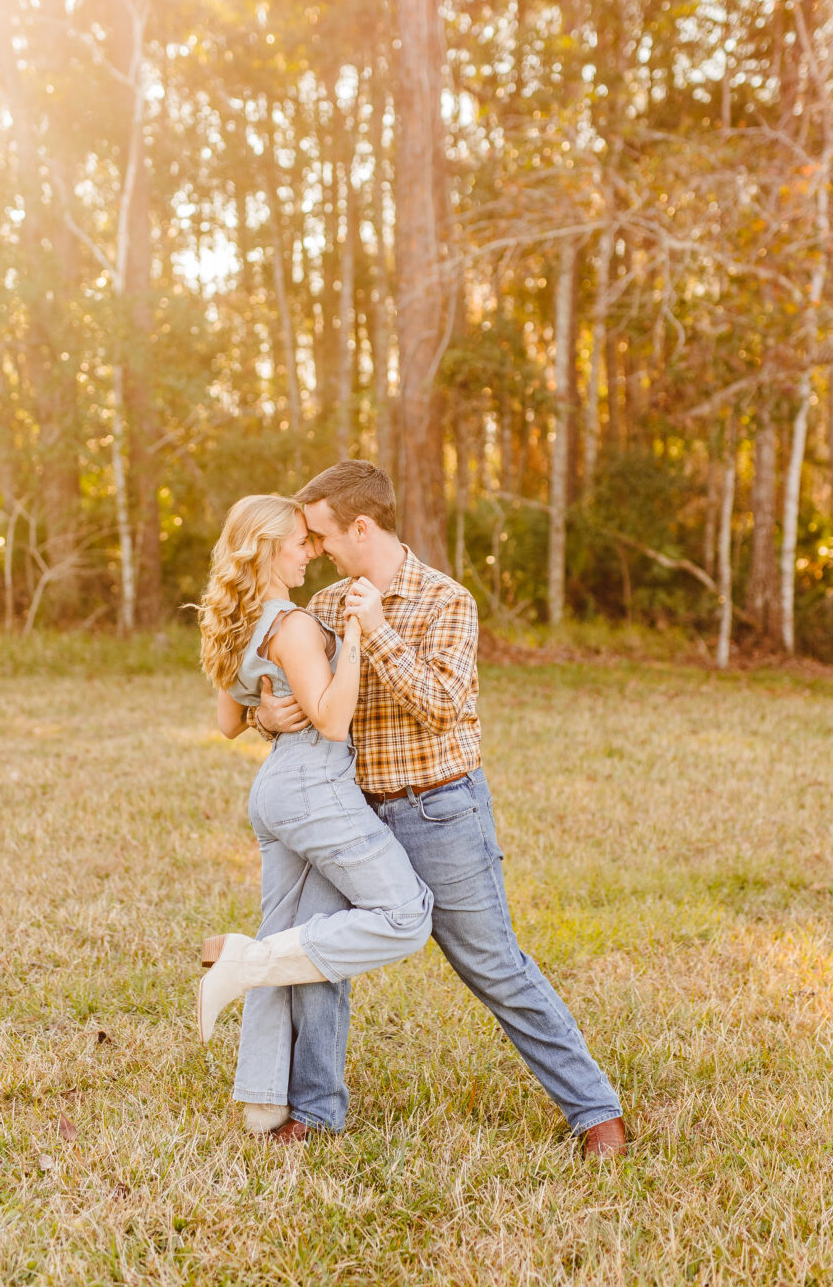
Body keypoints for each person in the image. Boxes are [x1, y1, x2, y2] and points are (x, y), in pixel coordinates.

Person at [216, 460, 627, 1155]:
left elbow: (442, 707)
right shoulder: (319, 607)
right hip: (349, 814)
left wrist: (373, 629)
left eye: (320, 535)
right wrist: (271, 720)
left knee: (494, 965)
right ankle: (315, 1111)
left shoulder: (446, 601)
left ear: (362, 527)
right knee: (319, 958)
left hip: (438, 811)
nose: (312, 550)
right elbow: (296, 700)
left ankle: (595, 1112)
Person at [196, 492, 433, 1137]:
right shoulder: (295, 624)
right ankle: (245, 961)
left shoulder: (235, 621)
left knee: (285, 940)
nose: (312, 552)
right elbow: (331, 720)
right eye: (301, 541)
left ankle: (264, 1102)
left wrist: (263, 714)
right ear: (271, 546)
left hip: (275, 788)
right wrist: (355, 636)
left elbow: (226, 722)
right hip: (314, 785)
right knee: (407, 916)